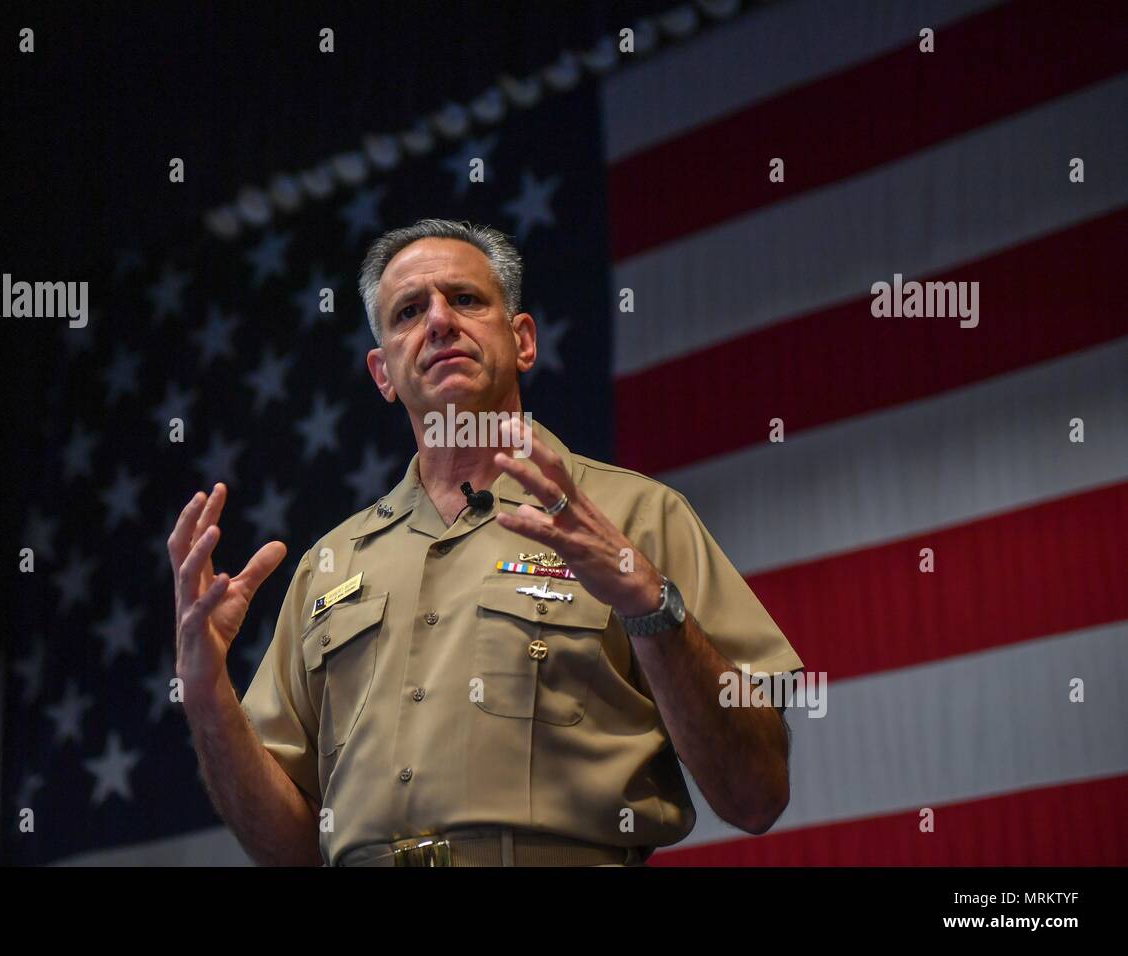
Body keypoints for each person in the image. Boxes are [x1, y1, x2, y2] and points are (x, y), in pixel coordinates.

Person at [167, 218, 805, 866]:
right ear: (383, 373)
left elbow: (756, 793)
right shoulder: (325, 569)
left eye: (466, 300)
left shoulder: (636, 516)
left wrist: (648, 603)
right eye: (409, 311)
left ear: (523, 340)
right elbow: (292, 852)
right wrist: (205, 693)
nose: (439, 321)